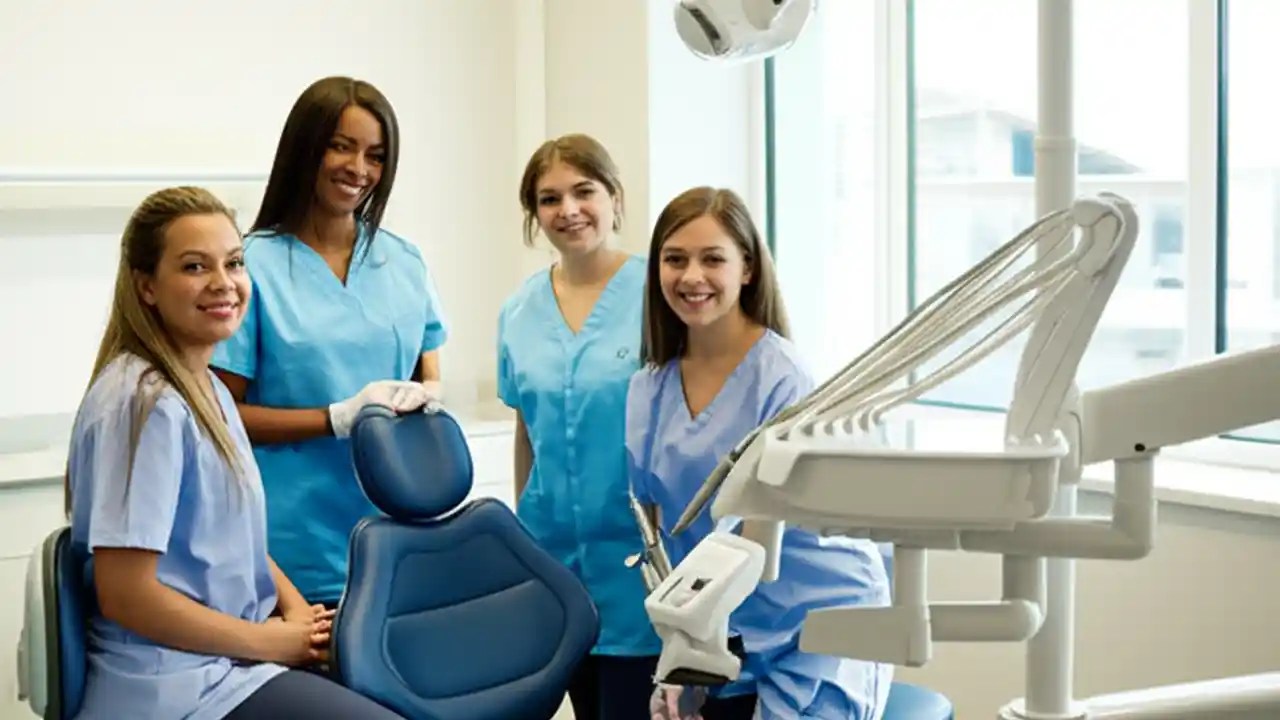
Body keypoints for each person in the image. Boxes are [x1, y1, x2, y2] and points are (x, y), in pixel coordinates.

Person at [65, 186, 405, 719]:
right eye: (195, 266)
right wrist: (273, 643)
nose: (223, 283)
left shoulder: (208, 389)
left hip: (229, 663)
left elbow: (229, 536)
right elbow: (126, 594)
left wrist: (299, 614)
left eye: (235, 263)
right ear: (147, 287)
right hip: (174, 684)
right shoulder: (143, 402)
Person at [627, 187, 894, 720]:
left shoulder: (784, 382)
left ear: (747, 269)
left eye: (713, 259)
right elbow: (660, 533)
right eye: (674, 259)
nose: (691, 277)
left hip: (820, 621)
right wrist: (678, 655)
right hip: (734, 626)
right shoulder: (648, 387)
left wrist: (696, 654)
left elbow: (754, 545)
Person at [212, 76, 449, 607]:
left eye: (375, 154)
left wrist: (430, 394)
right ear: (305, 148)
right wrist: (335, 418)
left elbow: (426, 371)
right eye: (341, 146)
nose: (359, 169)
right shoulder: (252, 265)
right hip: (295, 555)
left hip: (399, 540)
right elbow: (219, 416)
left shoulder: (402, 261)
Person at [497, 133, 661, 720]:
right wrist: (523, 545)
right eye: (549, 198)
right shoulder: (518, 311)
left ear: (614, 197)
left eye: (583, 191)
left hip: (639, 568)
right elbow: (527, 430)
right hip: (549, 568)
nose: (568, 210)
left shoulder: (660, 296)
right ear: (534, 215)